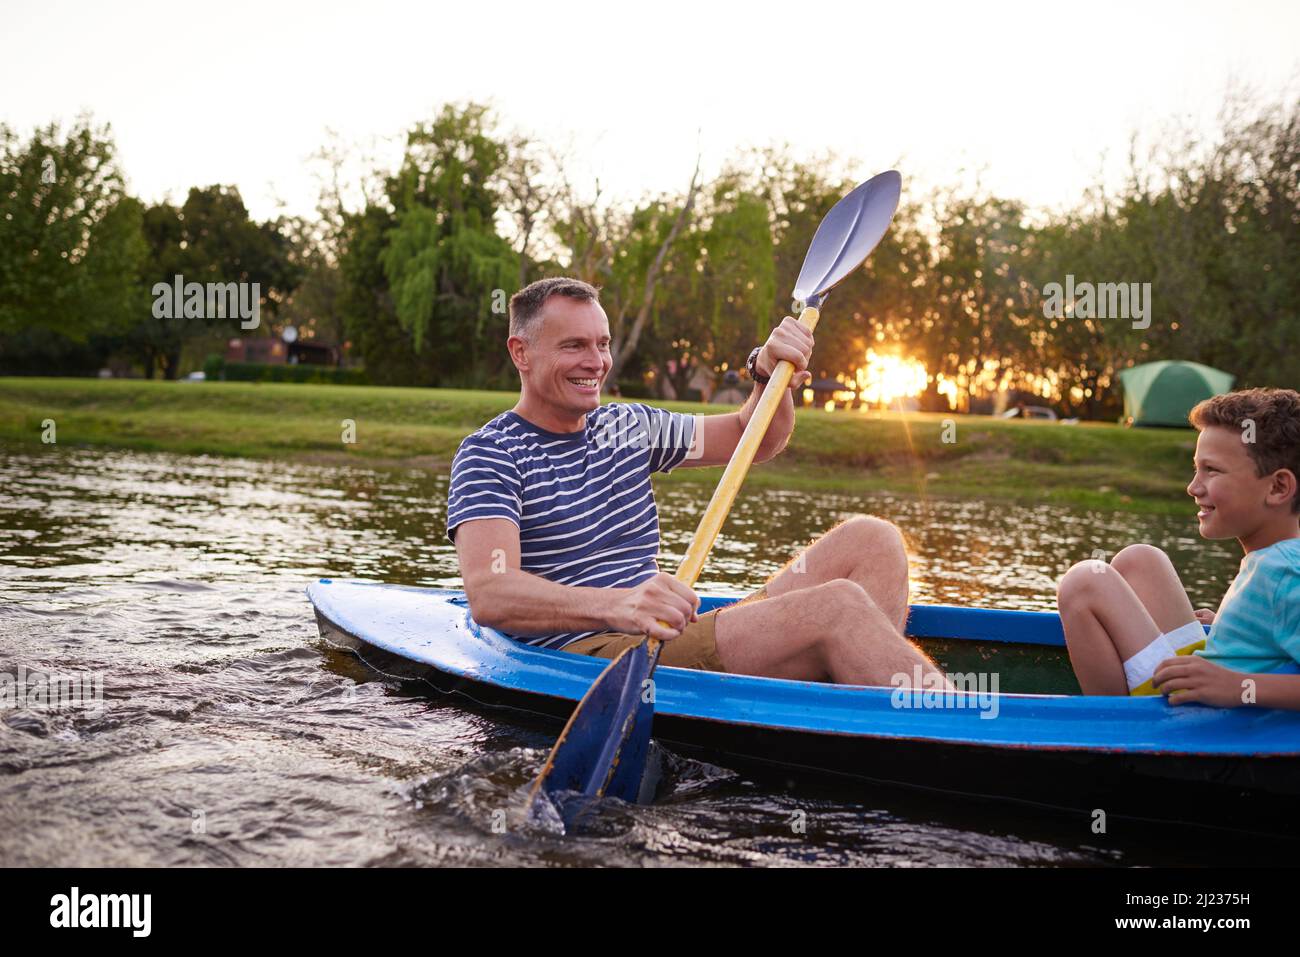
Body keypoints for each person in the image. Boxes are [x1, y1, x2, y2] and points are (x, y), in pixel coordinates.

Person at [445, 277, 947, 687]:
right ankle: (944, 722)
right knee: (836, 607)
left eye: (601, 344)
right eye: (574, 346)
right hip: (595, 655)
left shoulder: (627, 426)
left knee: (873, 540)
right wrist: (620, 605)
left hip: (664, 634)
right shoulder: (491, 453)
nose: (595, 362)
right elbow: (491, 593)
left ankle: (859, 699)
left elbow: (753, 439)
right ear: (521, 352)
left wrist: (767, 375)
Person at [1057, 388, 1300, 709]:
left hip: (1188, 712)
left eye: (1211, 470)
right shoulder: (1277, 557)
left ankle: (1116, 723)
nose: (1193, 487)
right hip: (1202, 674)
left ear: (1278, 487)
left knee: (1084, 582)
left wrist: (1238, 686)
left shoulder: (1285, 569)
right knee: (1140, 559)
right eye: (1196, 469)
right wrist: (1233, 630)